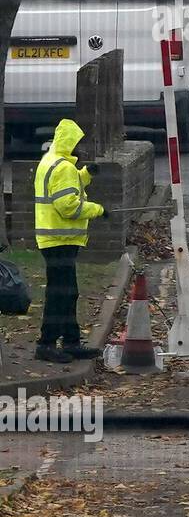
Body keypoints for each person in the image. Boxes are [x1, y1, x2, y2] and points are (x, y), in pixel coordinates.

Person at [33, 119, 106, 363]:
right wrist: (97, 210)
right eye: (78, 143)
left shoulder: (52, 161)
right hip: (60, 239)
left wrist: (85, 175)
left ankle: (71, 341)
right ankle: (47, 344)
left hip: (53, 239)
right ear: (70, 143)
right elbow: (67, 206)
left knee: (67, 292)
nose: (80, 147)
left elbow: (65, 187)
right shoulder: (62, 166)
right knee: (60, 294)